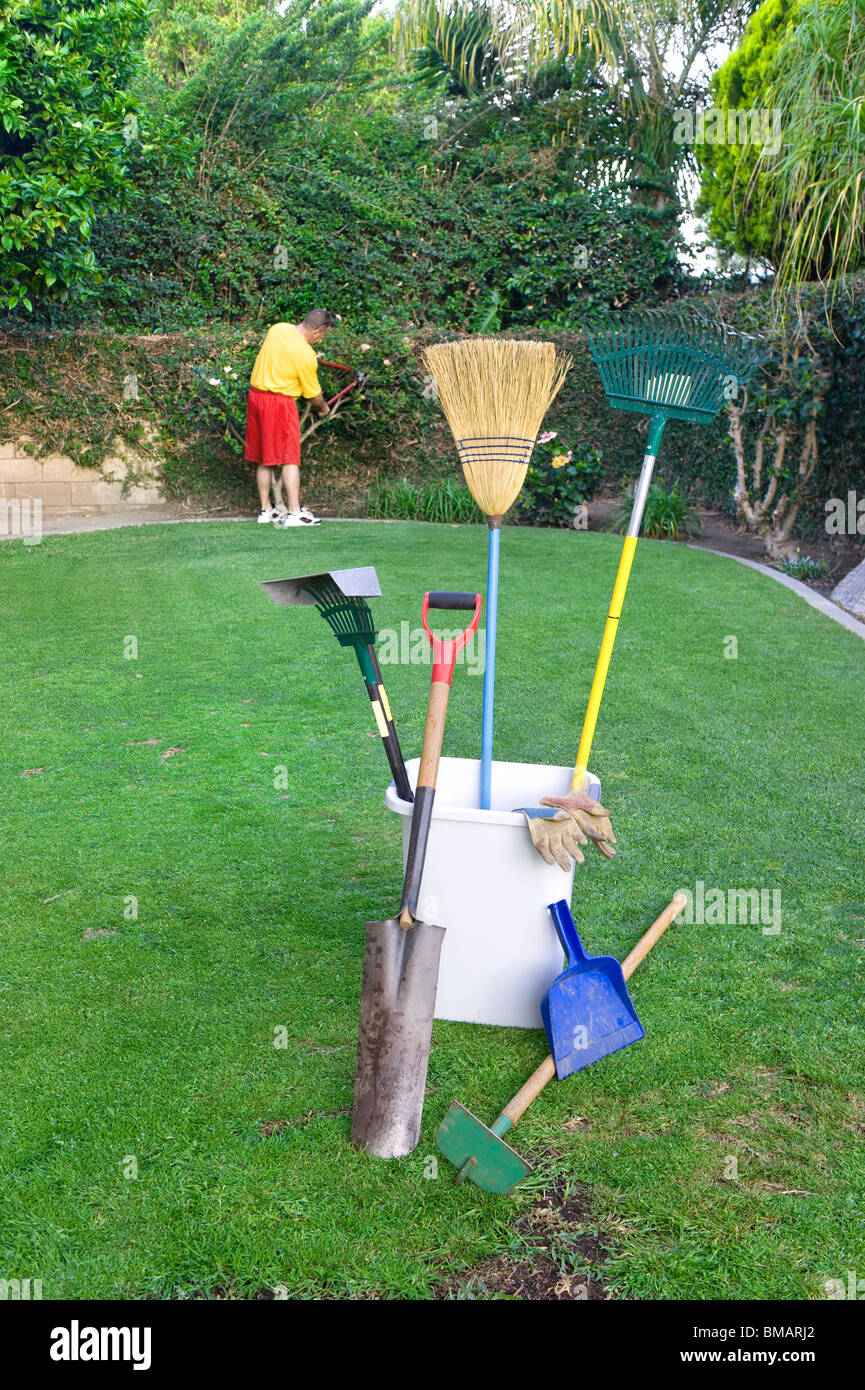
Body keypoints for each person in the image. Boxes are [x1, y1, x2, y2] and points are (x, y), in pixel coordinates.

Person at [244, 308, 335, 527]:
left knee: (264, 458)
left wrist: (311, 356)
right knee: (289, 458)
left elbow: (285, 354)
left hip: (256, 398)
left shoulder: (278, 329)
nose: (321, 340)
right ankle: (295, 514)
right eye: (323, 336)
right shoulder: (305, 355)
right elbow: (313, 395)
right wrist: (323, 408)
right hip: (279, 404)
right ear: (317, 331)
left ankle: (266, 511)